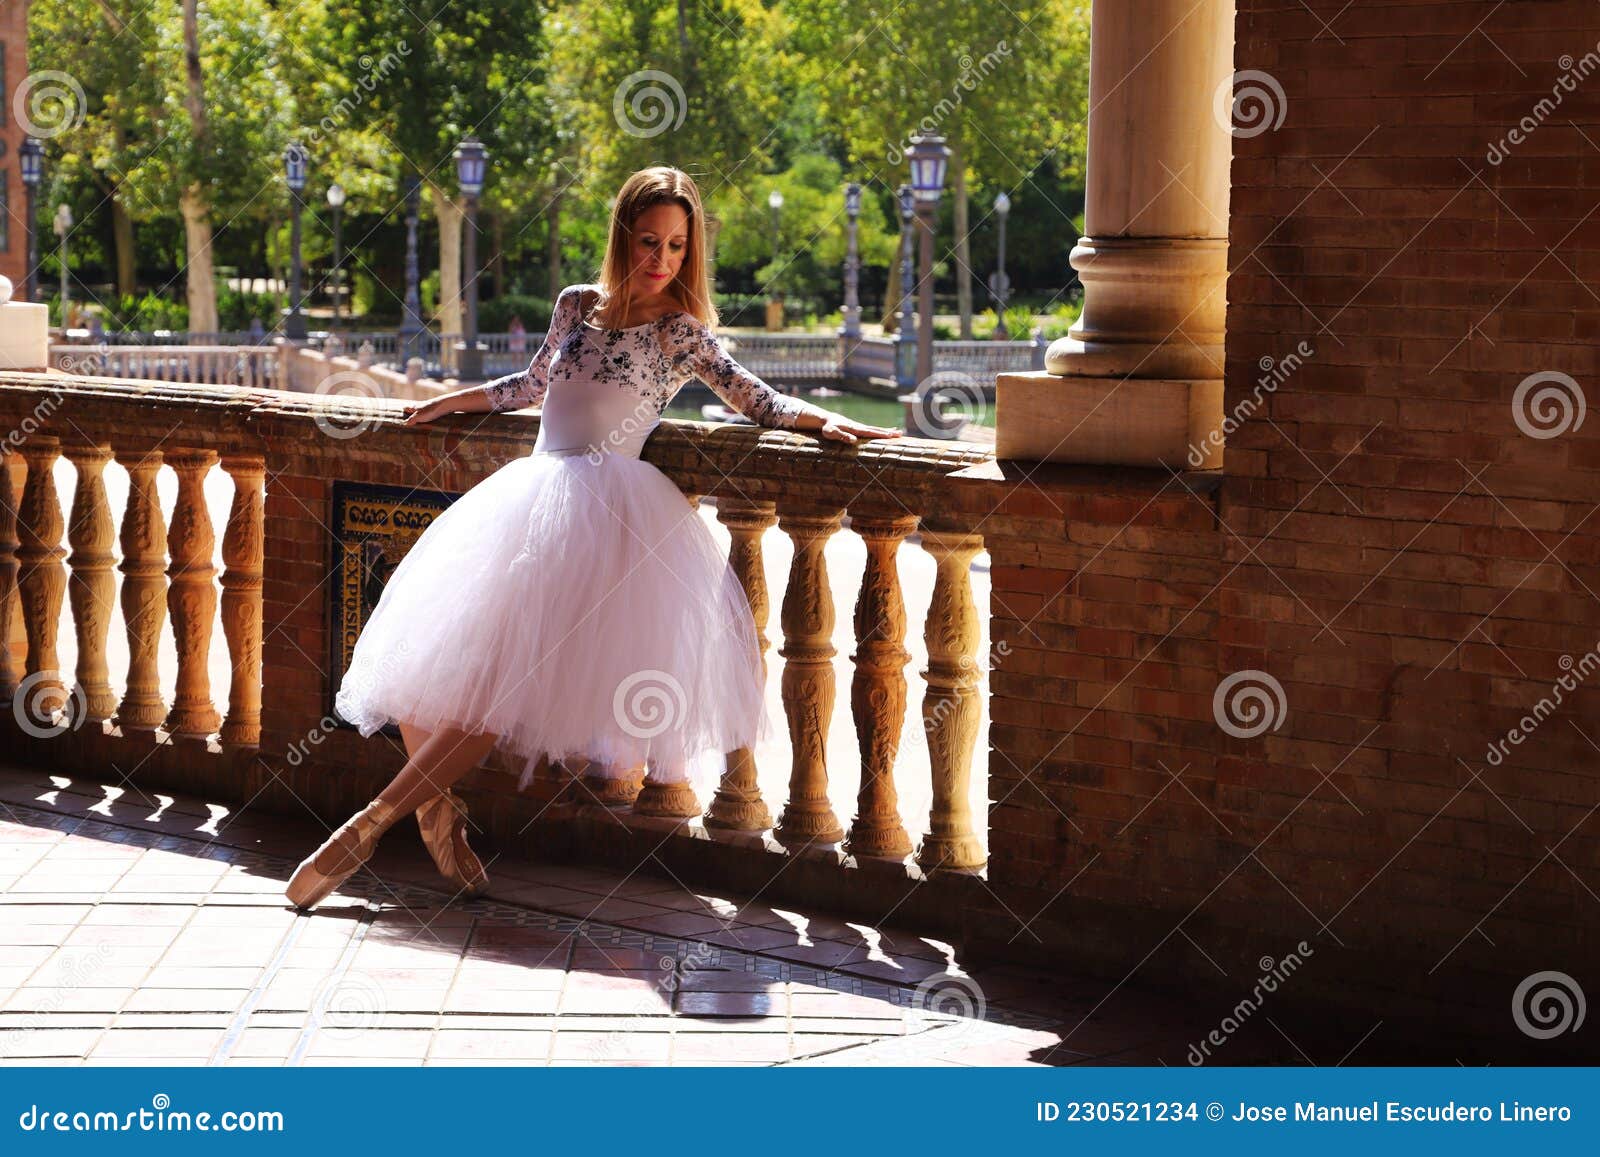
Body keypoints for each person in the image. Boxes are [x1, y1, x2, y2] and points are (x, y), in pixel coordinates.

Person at [286, 165, 901, 909]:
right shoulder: (575, 304)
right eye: (649, 241)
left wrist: (820, 420)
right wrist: (456, 400)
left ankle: (368, 823)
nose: (662, 260)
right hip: (525, 501)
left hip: (605, 523)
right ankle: (436, 810)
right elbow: (532, 385)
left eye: (677, 246)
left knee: (494, 689)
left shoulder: (681, 332)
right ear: (622, 235)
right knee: (427, 670)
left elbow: (756, 398)